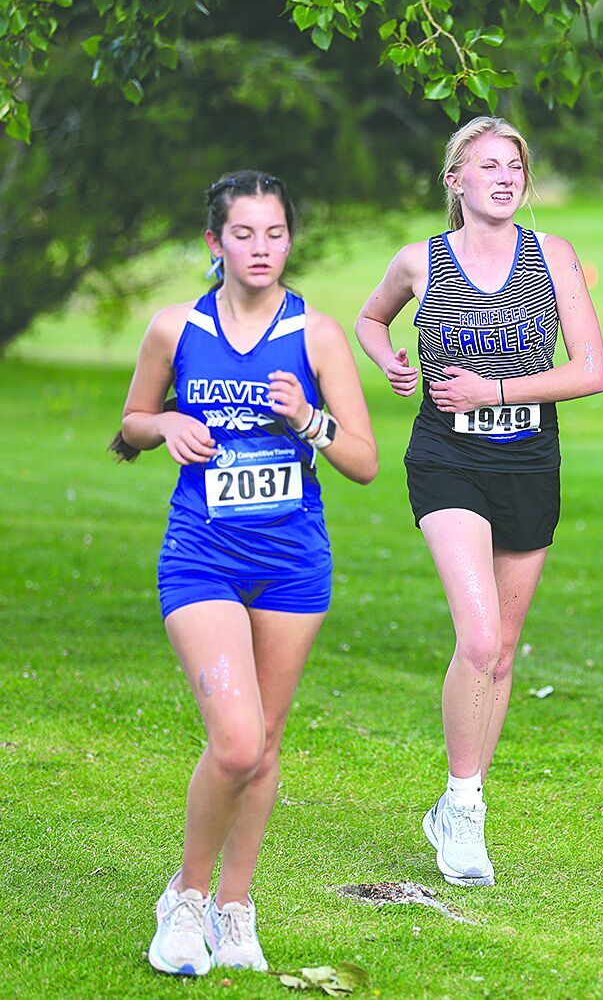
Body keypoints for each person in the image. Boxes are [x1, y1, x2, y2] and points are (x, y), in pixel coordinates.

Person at [114, 171, 377, 975]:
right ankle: (186, 902)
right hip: (201, 553)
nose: (260, 249)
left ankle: (236, 909)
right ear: (214, 243)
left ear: (289, 240)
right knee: (234, 742)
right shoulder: (175, 327)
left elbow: (363, 461)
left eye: (274, 234)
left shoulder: (318, 335)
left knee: (262, 745)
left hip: (293, 562)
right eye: (244, 235)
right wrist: (164, 424)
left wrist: (307, 418)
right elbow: (127, 427)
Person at [354, 117, 603, 888]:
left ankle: (458, 798)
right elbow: (368, 318)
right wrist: (389, 359)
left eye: (515, 166)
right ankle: (465, 811)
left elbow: (590, 370)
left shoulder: (552, 257)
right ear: (454, 180)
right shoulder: (419, 261)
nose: (504, 177)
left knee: (500, 652)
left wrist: (493, 389)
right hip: (447, 460)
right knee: (478, 633)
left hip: (529, 462)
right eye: (486, 165)